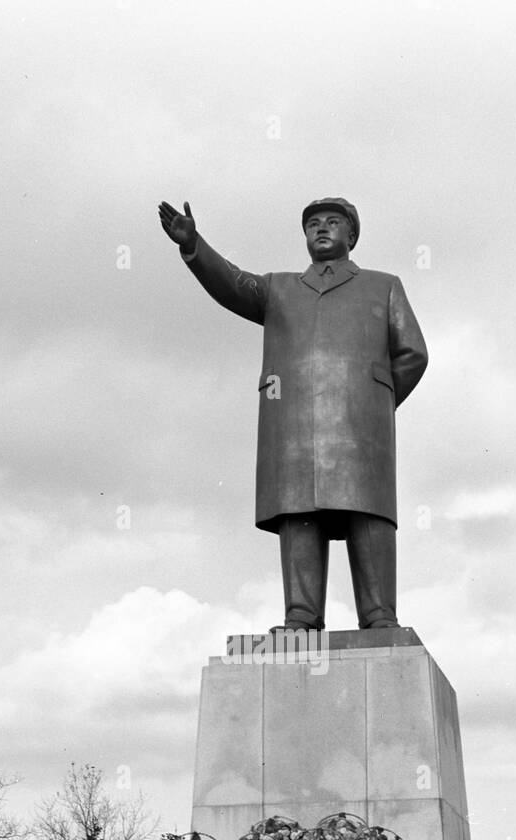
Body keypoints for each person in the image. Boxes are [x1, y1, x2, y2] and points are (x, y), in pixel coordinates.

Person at [157, 196, 428, 631]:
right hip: (293, 427)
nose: (321, 229)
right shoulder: (278, 289)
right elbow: (232, 282)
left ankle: (379, 616)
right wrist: (194, 246)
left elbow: (413, 353)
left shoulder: (384, 285)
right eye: (313, 224)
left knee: (368, 515)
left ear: (351, 235)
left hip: (361, 427)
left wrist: (375, 401)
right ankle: (301, 615)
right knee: (299, 514)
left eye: (333, 223)